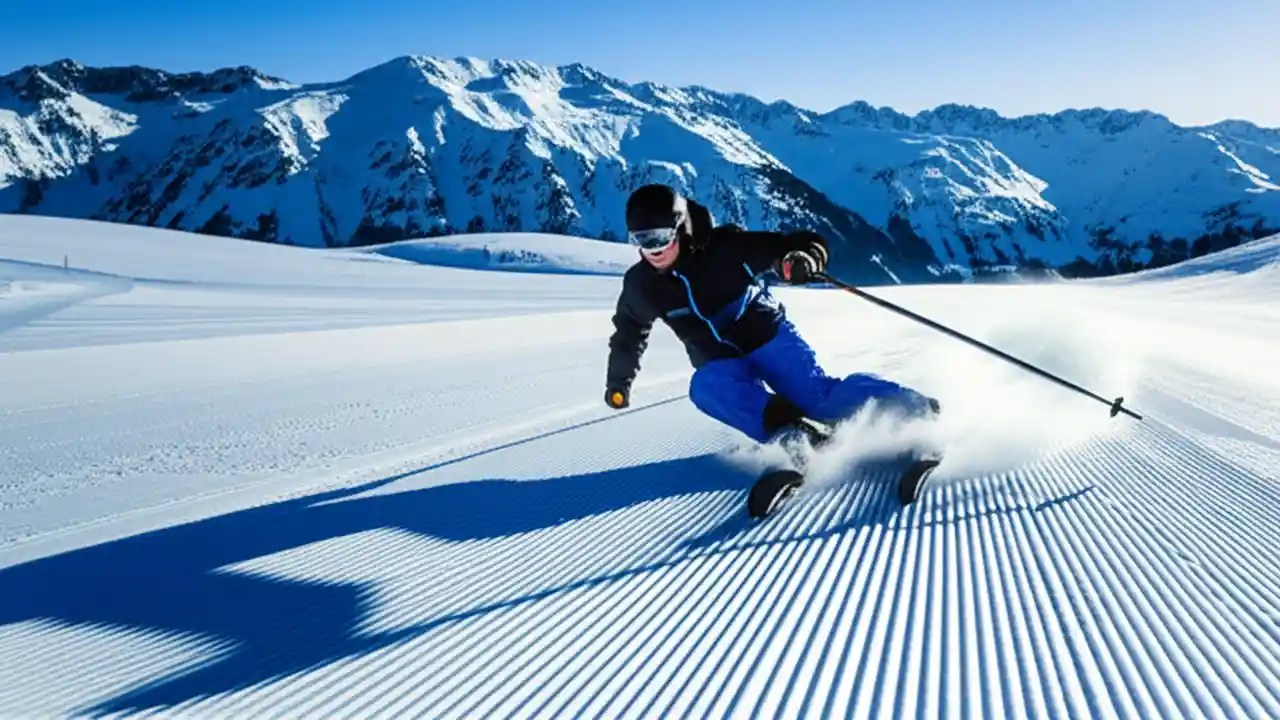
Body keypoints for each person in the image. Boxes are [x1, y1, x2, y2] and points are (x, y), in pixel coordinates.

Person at [604, 183, 938, 448]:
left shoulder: (724, 249)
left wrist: (800, 258)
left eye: (661, 237)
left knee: (817, 400)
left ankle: (914, 407)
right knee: (706, 387)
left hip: (767, 337)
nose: (655, 249)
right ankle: (794, 436)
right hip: (718, 359)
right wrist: (619, 382)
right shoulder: (641, 285)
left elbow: (796, 244)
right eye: (643, 241)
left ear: (680, 227)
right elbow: (629, 334)